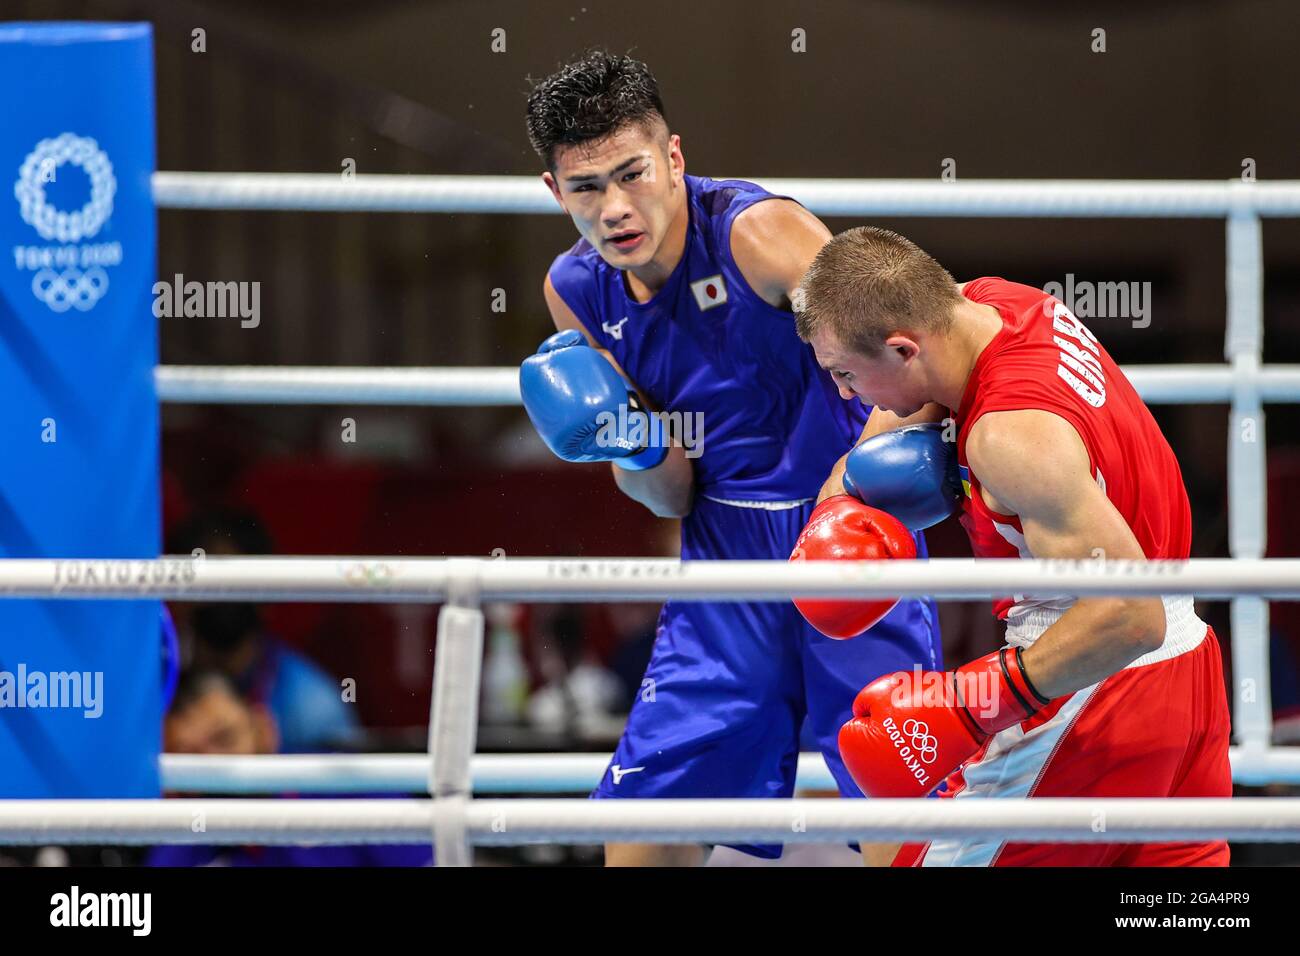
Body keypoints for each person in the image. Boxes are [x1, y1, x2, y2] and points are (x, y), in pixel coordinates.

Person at [520, 50, 943, 866]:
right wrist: (633, 442)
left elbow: (921, 355)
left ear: (673, 158)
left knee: (905, 813)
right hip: (720, 563)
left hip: (848, 535)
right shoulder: (575, 291)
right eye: (586, 188)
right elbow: (670, 495)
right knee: (645, 825)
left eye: (632, 174)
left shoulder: (761, 235)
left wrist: (849, 488)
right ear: (554, 193)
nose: (614, 208)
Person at [795, 226, 1232, 866]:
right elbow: (869, 449)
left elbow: (1127, 613)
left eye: (844, 374)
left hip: (1094, 671)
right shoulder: (993, 305)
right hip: (1188, 666)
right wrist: (837, 510)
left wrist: (973, 706)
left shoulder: (1008, 438)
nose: (843, 394)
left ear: (902, 347)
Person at [149, 670, 432, 867]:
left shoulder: (349, 791)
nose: (213, 764)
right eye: (191, 755)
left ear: (264, 729)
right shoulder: (181, 850)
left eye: (224, 739)